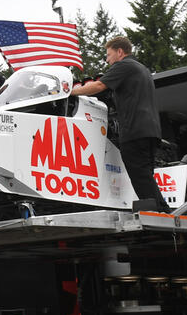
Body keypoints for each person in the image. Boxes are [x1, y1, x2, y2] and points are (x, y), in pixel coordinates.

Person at [71, 36, 168, 211]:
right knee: (146, 175)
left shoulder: (124, 66)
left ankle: (160, 211)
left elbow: (99, 85)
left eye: (108, 55)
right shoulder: (142, 69)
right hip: (151, 130)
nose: (107, 60)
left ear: (120, 52)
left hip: (135, 131)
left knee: (139, 174)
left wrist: (71, 92)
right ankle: (162, 208)